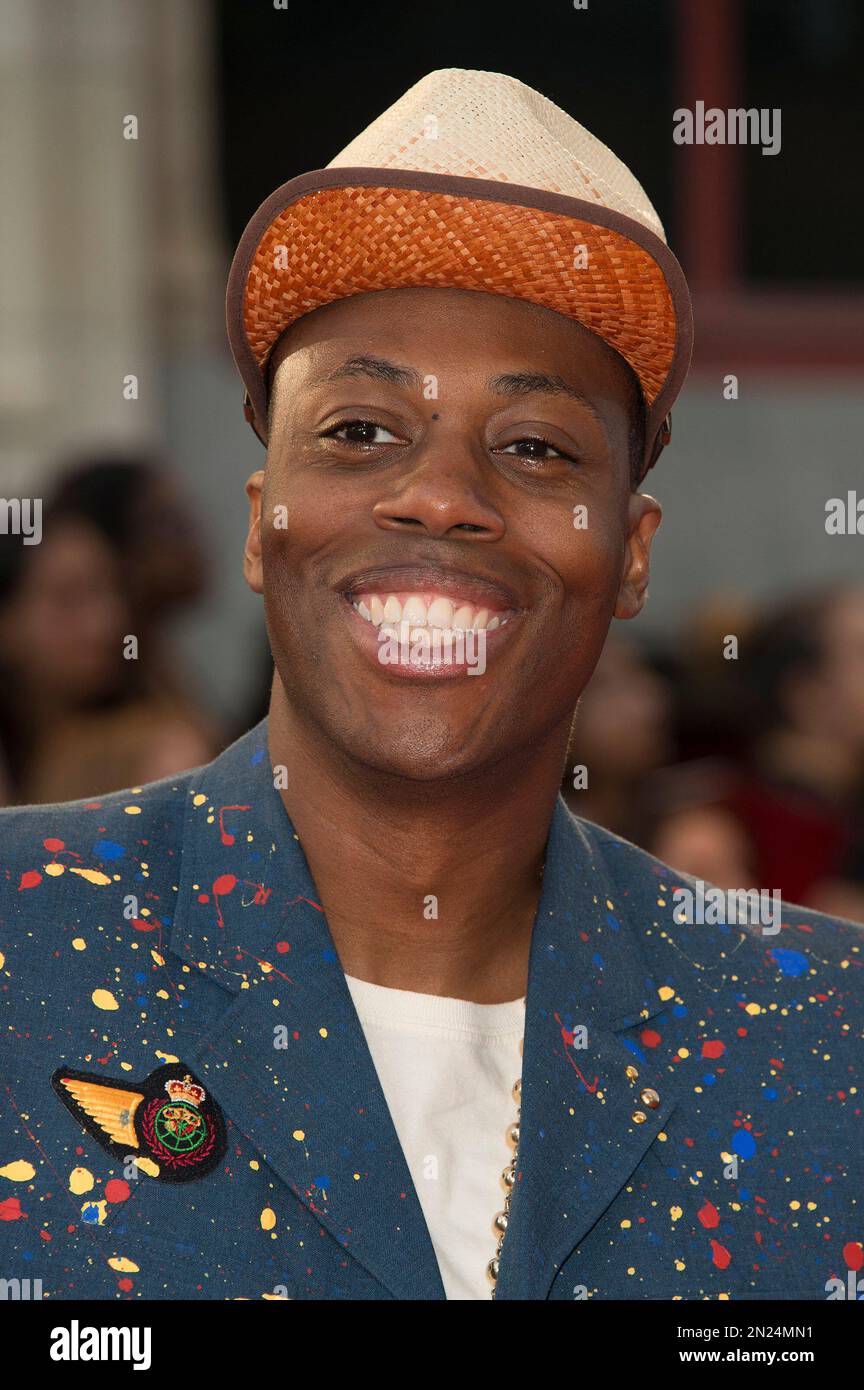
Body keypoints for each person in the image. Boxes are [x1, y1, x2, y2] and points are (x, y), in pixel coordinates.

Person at [1, 70, 861, 1303]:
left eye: (534, 448)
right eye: (359, 430)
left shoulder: (820, 1042)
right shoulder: (24, 943)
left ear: (629, 553)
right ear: (262, 525)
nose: (441, 495)